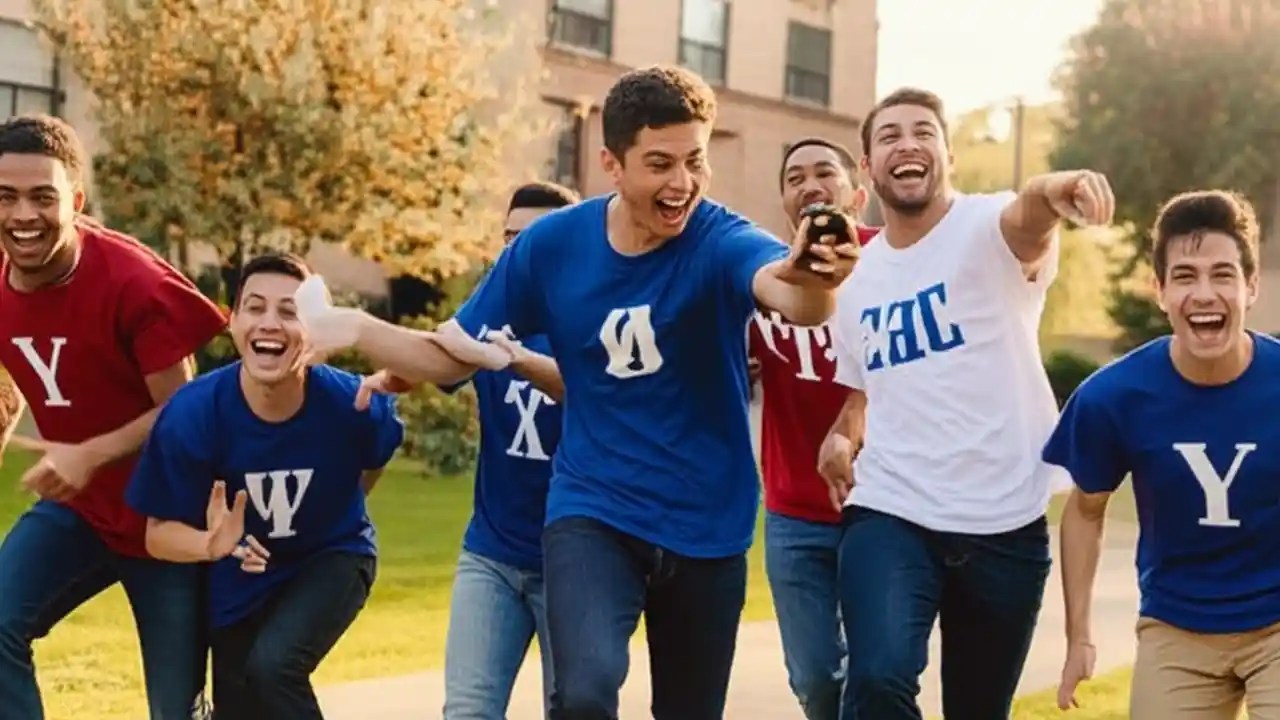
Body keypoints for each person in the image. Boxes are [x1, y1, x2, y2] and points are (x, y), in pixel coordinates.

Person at [293, 64, 859, 719]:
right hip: (596, 508)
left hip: (708, 521)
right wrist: (354, 326)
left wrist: (818, 275)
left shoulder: (719, 237)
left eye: (695, 162)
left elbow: (791, 297)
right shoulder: (551, 247)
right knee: (584, 691)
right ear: (611, 164)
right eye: (659, 164)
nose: (682, 184)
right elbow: (449, 360)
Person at [820, 87, 1115, 720]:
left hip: (1003, 524)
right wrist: (841, 436)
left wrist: (1056, 187)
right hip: (890, 508)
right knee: (875, 682)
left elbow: (1031, 213)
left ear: (947, 154)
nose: (908, 143)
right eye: (890, 135)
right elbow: (860, 392)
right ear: (868, 169)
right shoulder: (854, 279)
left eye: (923, 131)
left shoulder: (988, 225)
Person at [0, 114, 227, 719]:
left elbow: (187, 411)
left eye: (42, 197)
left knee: (177, 710)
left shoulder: (134, 284)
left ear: (74, 200)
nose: (23, 215)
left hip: (166, 520)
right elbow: (10, 376)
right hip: (80, 509)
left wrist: (92, 451)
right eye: (6, 197)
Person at [125, 253, 404, 720]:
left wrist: (338, 509)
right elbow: (156, 534)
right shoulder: (193, 414)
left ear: (316, 328)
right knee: (244, 702)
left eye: (290, 311)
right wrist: (210, 543)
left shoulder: (350, 402)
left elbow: (375, 455)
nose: (270, 323)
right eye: (255, 308)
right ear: (233, 322)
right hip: (240, 582)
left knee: (275, 667)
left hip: (331, 558)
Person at [1046, 190, 1280, 720]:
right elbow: (1085, 512)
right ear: (1159, 290)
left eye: (1223, 275)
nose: (1204, 293)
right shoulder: (1114, 396)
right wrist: (1078, 637)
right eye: (1185, 276)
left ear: (1251, 286)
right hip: (1177, 628)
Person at [747, 136, 876, 720]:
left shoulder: (891, 265)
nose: (809, 184)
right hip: (793, 513)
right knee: (817, 680)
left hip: (884, 508)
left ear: (858, 192)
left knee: (882, 674)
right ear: (784, 202)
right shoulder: (764, 280)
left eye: (825, 172)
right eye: (794, 177)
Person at [438, 182, 576, 719]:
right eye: (508, 239)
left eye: (532, 240)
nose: (516, 254)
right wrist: (371, 351)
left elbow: (596, 388)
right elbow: (436, 355)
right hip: (491, 554)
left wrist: (515, 359)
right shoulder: (489, 317)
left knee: (573, 708)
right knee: (467, 711)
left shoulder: (594, 323)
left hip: (577, 564)